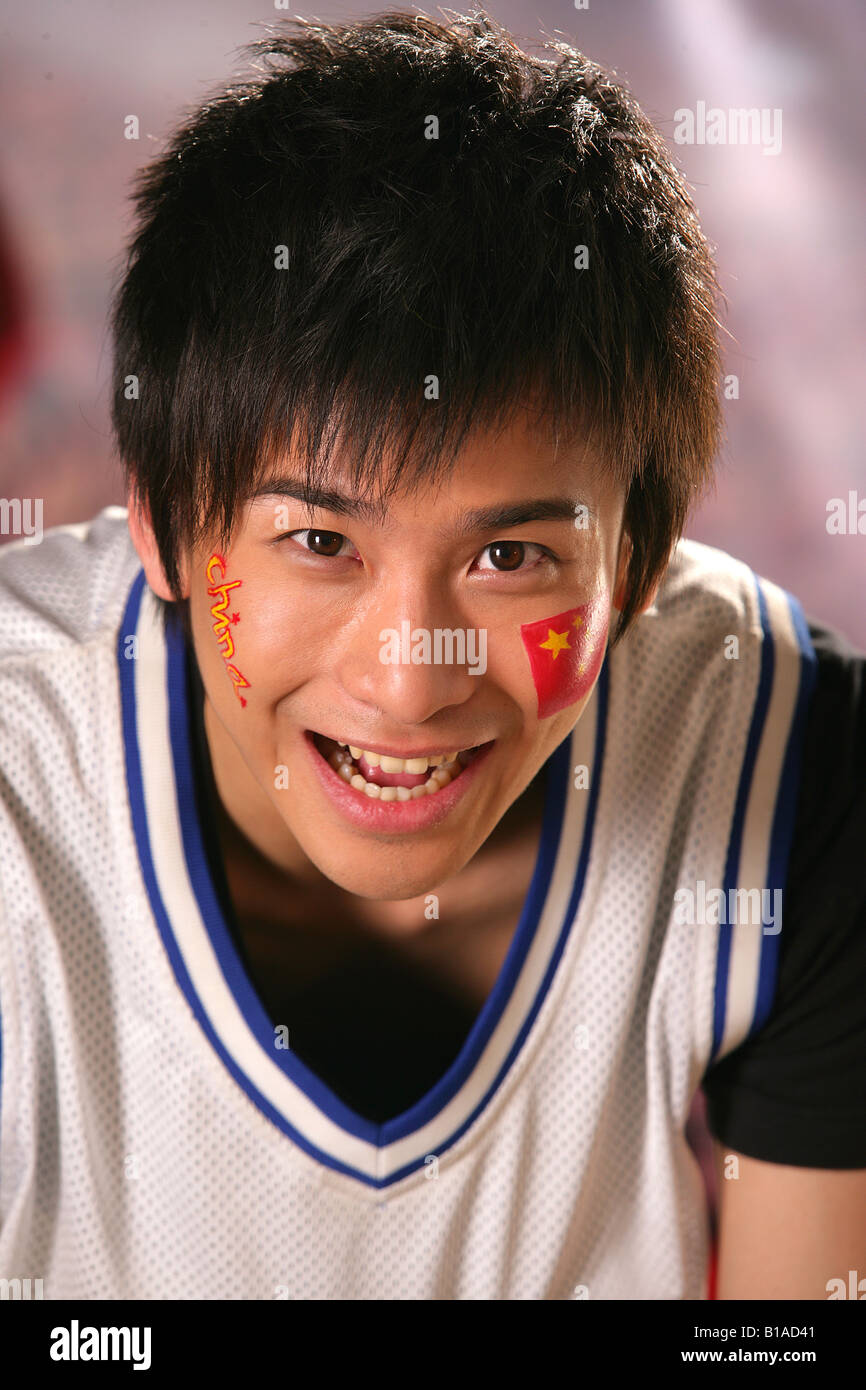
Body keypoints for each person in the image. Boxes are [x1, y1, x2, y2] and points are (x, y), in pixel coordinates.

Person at [0, 10, 863, 1301]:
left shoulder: (793, 755)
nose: (409, 678)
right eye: (317, 540)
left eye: (509, 557)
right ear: (165, 529)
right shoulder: (23, 772)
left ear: (633, 566)